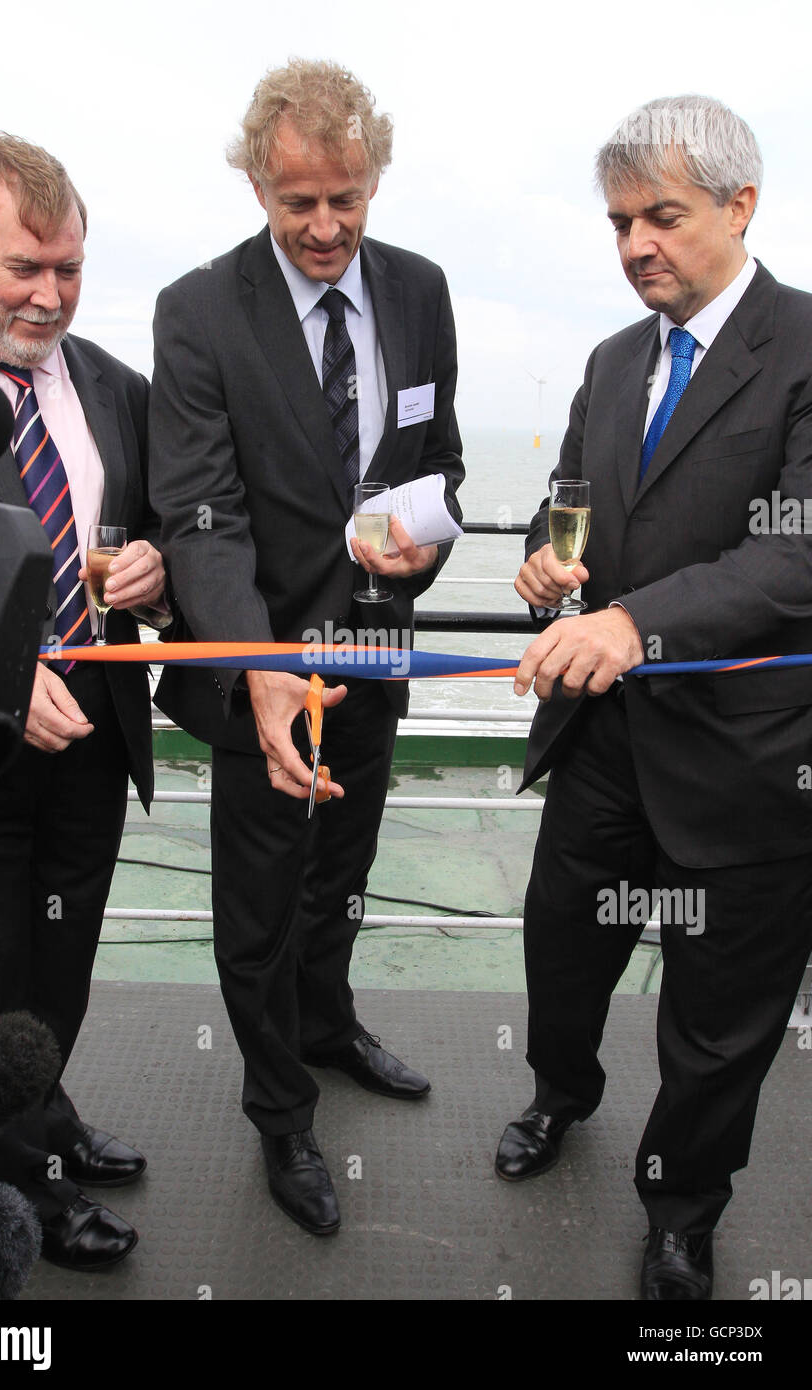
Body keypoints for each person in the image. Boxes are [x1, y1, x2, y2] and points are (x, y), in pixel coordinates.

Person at [497, 94, 812, 1300]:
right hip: (602, 747)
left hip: (748, 765)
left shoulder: (804, 347)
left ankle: (681, 1211)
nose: (637, 245)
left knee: (720, 1020)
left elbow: (794, 555)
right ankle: (558, 1094)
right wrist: (542, 563)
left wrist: (634, 620)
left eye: (663, 217)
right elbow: (569, 506)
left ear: (741, 205)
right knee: (561, 955)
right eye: (622, 221)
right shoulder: (611, 358)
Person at [150, 59, 463, 1236]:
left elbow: (440, 471)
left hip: (377, 657)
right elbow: (198, 515)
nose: (324, 227)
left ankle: (325, 1026)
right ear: (255, 183)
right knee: (260, 904)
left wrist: (417, 546)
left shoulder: (424, 289)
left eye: (345, 198)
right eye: (297, 203)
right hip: (262, 677)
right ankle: (280, 1111)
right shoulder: (196, 309)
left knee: (343, 873)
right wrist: (258, 661)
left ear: (372, 177)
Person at [0, 133, 166, 1271]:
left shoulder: (114, 384)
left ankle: (45, 1128)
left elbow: (151, 526)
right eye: (24, 268)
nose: (50, 296)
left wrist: (152, 563)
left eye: (69, 269)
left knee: (58, 973)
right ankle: (32, 1204)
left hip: (94, 745)